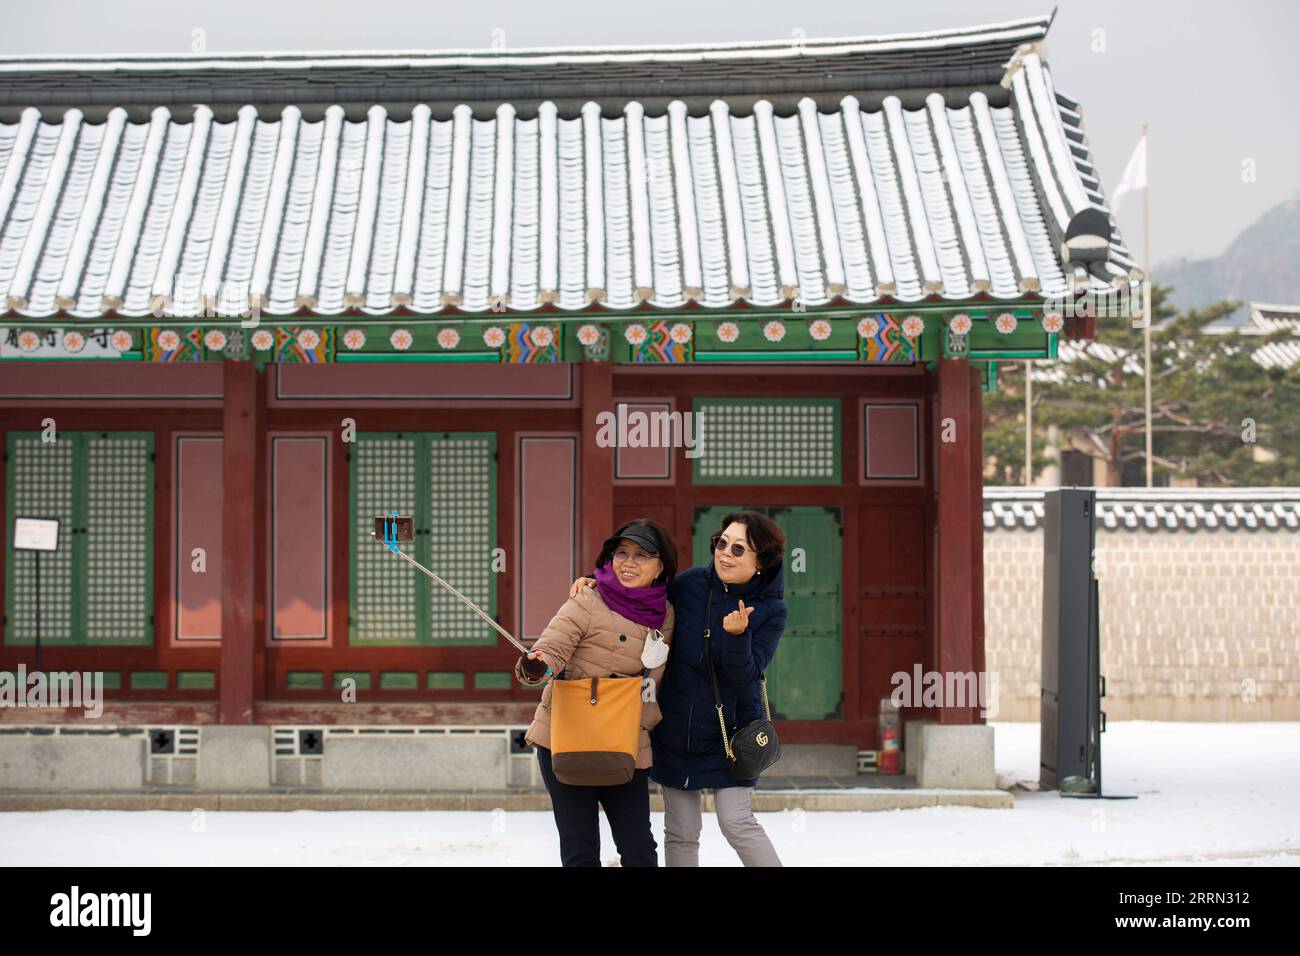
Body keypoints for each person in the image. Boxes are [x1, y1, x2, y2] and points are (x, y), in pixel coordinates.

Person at [570, 510, 786, 866]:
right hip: (677, 731)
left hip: (731, 734)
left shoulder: (771, 609)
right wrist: (594, 584)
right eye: (722, 543)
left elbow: (746, 676)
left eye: (738, 549)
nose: (724, 554)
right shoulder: (689, 585)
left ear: (760, 561)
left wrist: (736, 637)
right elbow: (639, 595)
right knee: (681, 833)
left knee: (737, 822)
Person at [515, 518, 676, 866]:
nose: (629, 563)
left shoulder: (666, 613)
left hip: (627, 739)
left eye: (641, 555)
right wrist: (537, 664)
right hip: (569, 736)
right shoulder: (588, 598)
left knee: (638, 849)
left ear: (660, 565)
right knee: (580, 849)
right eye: (622, 553)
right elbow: (553, 646)